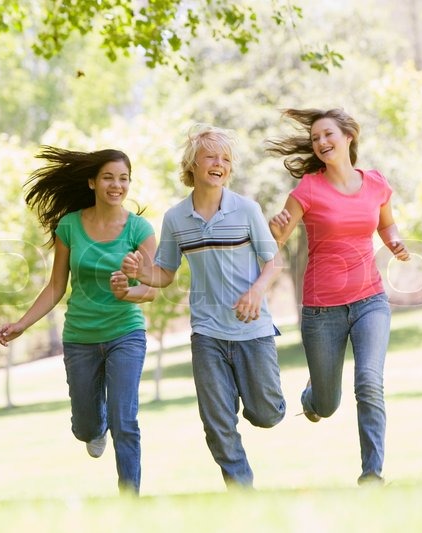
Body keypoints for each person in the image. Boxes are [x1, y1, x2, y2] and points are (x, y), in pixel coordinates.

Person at [121, 124, 286, 490]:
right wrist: (141, 272)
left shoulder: (246, 209)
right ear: (192, 164)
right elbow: (164, 273)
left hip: (252, 330)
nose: (219, 163)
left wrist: (257, 292)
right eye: (211, 156)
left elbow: (272, 262)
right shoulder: (176, 218)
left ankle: (288, 401)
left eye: (226, 159)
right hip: (207, 333)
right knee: (217, 421)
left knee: (267, 414)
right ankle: (241, 491)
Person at [0, 146, 157, 495]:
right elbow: (56, 285)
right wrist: (22, 324)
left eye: (124, 178)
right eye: (109, 177)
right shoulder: (69, 226)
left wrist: (127, 291)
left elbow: (152, 289)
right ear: (92, 182)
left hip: (125, 332)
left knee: (124, 420)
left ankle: (130, 500)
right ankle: (93, 427)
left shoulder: (139, 229)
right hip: (81, 336)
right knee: (85, 427)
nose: (117, 185)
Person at [266, 108, 410, 486]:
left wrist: (393, 241)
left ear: (349, 136)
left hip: (370, 301)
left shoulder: (376, 183)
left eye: (327, 134)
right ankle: (312, 397)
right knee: (327, 406)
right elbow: (275, 242)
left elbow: (385, 221)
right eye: (315, 139)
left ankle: (372, 473)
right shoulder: (308, 189)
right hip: (322, 310)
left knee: (368, 382)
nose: (321, 143)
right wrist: (275, 229)